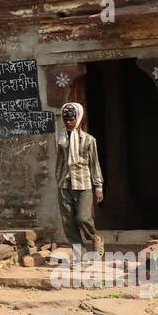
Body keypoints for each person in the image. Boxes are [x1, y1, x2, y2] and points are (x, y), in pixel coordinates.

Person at [55, 102, 103, 265]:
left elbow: (94, 164)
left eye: (71, 119)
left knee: (83, 218)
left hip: (83, 183)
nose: (68, 122)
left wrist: (98, 186)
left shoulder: (89, 140)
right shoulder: (60, 138)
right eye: (66, 119)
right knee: (68, 221)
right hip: (65, 184)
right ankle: (80, 254)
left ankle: (95, 238)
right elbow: (59, 162)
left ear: (79, 118)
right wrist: (58, 179)